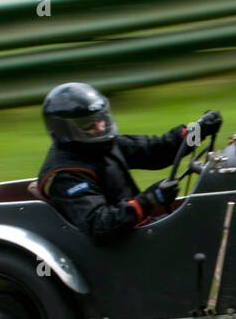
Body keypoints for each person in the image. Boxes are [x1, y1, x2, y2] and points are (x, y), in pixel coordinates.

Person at [36, 82, 221, 240]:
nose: (100, 126)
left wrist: (198, 131)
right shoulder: (66, 174)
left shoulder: (103, 145)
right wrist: (149, 200)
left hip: (135, 231)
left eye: (101, 118)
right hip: (120, 244)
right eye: (88, 123)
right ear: (63, 129)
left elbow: (158, 151)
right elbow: (99, 225)